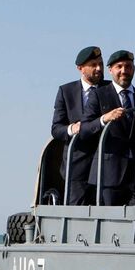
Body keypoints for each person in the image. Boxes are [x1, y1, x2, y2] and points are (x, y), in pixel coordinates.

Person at [84, 50, 135, 206]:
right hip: (108, 175)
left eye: (128, 66)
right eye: (119, 67)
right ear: (110, 70)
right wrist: (104, 119)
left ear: (133, 69)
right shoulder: (99, 95)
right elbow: (85, 129)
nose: (124, 71)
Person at [50, 46, 106, 205]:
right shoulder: (66, 91)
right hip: (77, 165)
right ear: (80, 68)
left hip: (106, 163)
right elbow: (56, 128)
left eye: (101, 64)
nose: (99, 68)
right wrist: (71, 129)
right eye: (93, 65)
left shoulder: (110, 89)